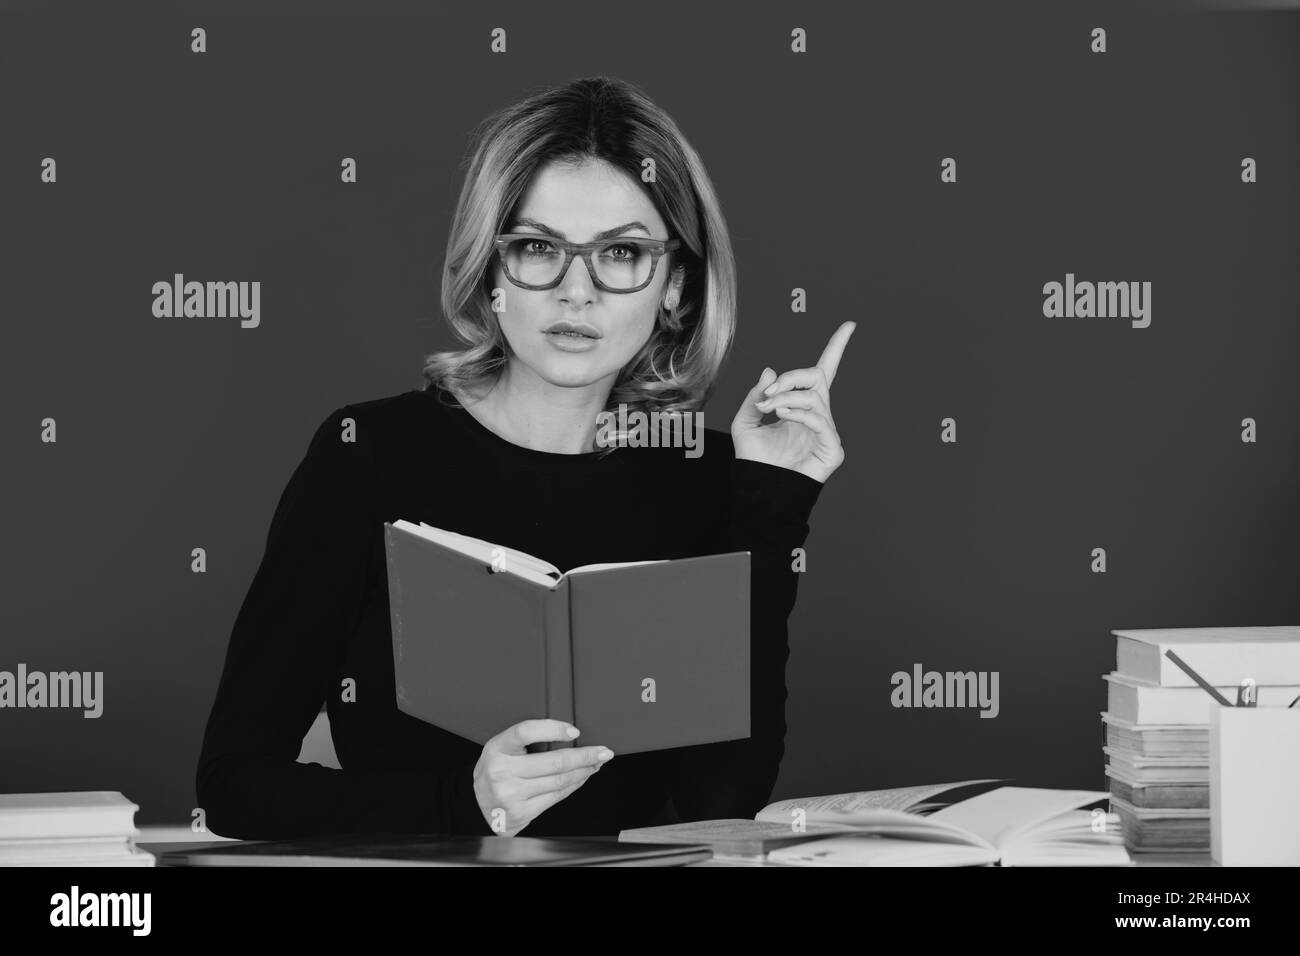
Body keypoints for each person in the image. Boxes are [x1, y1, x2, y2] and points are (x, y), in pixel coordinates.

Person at [195, 75, 854, 840]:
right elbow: (234, 783)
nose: (576, 293)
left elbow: (721, 802)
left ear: (674, 287)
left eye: (622, 253)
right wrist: (466, 804)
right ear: (491, 269)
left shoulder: (709, 480)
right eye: (539, 248)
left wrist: (773, 502)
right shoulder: (366, 456)